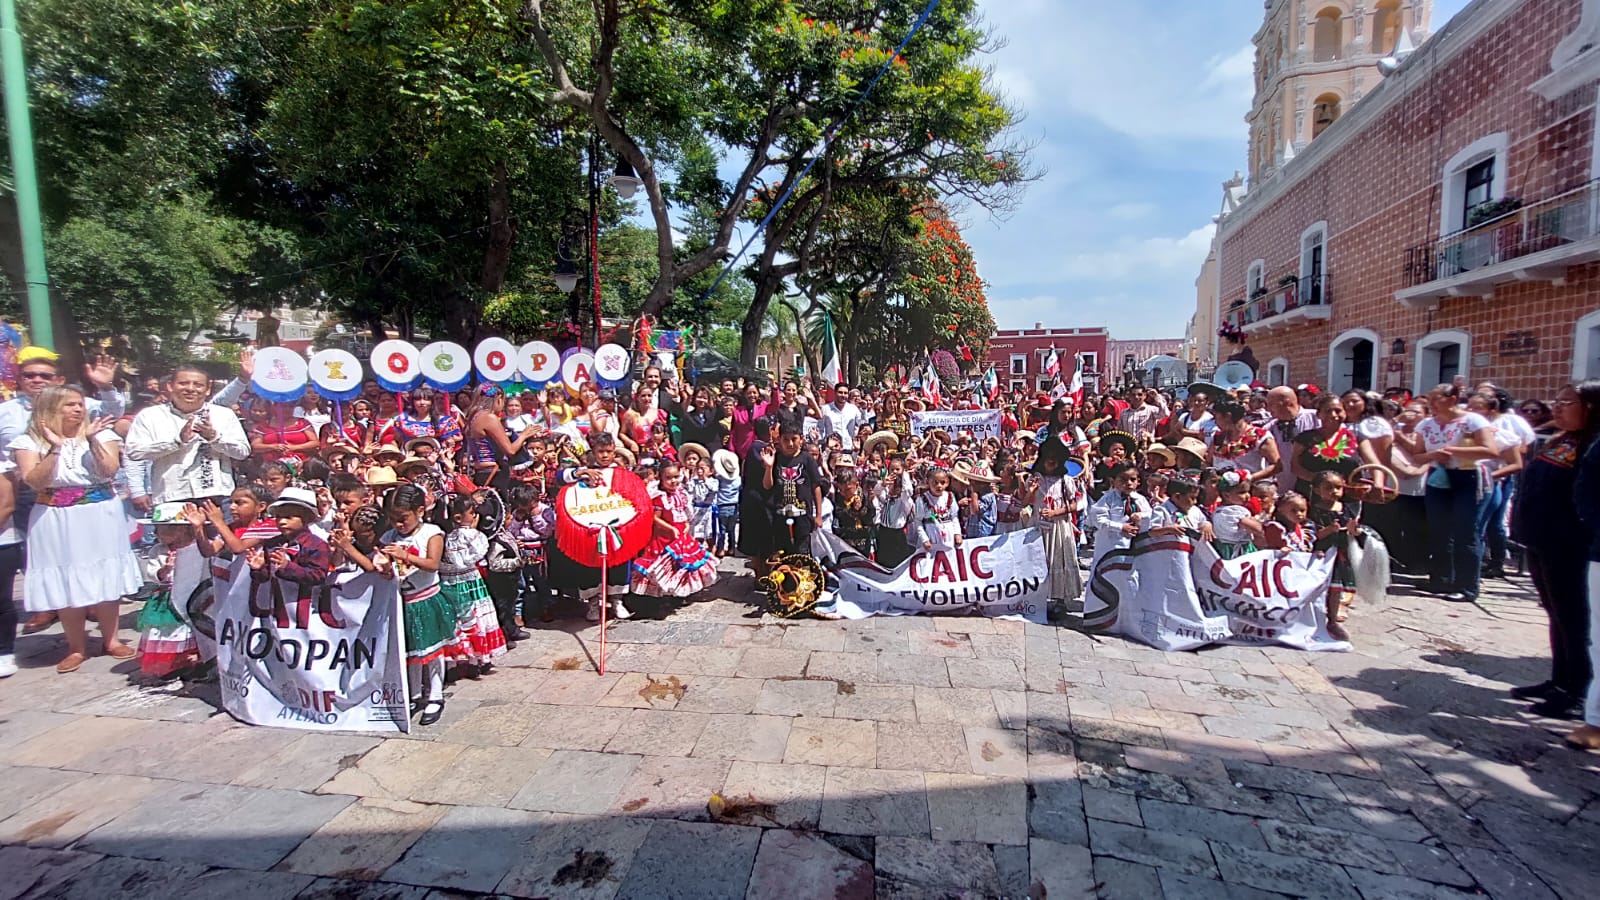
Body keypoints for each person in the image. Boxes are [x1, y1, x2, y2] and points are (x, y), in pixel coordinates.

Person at [11, 385, 144, 673]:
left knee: (106, 574)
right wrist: (57, 448)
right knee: (66, 576)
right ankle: (76, 647)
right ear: (50, 409)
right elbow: (34, 480)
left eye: (79, 404)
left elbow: (108, 470)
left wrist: (92, 440)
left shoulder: (101, 435)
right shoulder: (29, 441)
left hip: (99, 512)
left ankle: (111, 639)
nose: (77, 409)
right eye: (69, 405)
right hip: (55, 516)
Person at [1511, 380, 1600, 720]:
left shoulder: (1591, 445)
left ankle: (1579, 690)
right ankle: (1560, 679)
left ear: (1590, 408)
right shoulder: (1562, 439)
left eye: (1567, 402)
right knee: (1555, 611)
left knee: (1576, 617)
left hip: (1569, 543)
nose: (1557, 407)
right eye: (1557, 400)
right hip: (1542, 540)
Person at [1394, 383, 1499, 603]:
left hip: (1468, 476)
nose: (1431, 404)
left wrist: (1452, 451)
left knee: (1465, 532)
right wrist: (1434, 455)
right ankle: (1441, 578)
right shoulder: (1427, 424)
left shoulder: (1472, 421)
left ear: (1452, 399)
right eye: (1430, 400)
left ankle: (1467, 585)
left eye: (1436, 399)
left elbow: (1490, 450)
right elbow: (1417, 455)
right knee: (1439, 530)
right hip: (1438, 477)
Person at [125, 364, 252, 506]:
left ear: (208, 389)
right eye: (183, 383)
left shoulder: (223, 414)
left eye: (198, 385)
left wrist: (215, 438)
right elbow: (134, 452)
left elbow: (242, 452)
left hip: (217, 495)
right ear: (170, 386)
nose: (191, 389)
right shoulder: (150, 416)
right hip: (171, 496)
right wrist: (177, 442)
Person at [380, 485, 452, 725]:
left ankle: (435, 694)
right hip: (401, 601)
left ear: (419, 511)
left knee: (430, 651)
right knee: (409, 650)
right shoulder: (389, 537)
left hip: (425, 599)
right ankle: (413, 693)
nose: (398, 525)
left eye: (403, 519)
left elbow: (433, 564)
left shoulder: (431, 533)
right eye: (393, 520)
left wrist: (405, 556)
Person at [631, 462, 719, 598]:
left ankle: (677, 591)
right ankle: (662, 594)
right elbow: (654, 518)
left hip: (680, 535)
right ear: (660, 478)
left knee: (681, 564)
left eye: (676, 477)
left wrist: (686, 525)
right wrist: (671, 528)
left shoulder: (681, 493)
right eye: (669, 478)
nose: (673, 481)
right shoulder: (659, 497)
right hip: (664, 537)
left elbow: (683, 513)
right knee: (665, 565)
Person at [440, 496, 507, 673]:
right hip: (468, 581)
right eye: (471, 513)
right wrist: (474, 530)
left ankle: (457, 661)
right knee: (475, 618)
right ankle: (478, 659)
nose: (475, 515)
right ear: (458, 517)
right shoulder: (470, 535)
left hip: (448, 582)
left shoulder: (445, 536)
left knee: (457, 620)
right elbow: (473, 556)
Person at [1290, 392, 1361, 497]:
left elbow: (1372, 462)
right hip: (1311, 494)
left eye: (1338, 411)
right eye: (1328, 411)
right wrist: (1323, 483)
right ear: (1318, 415)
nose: (1333, 415)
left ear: (1345, 413)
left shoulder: (1356, 437)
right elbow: (1295, 467)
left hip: (1345, 496)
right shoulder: (1305, 438)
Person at [1264, 385, 1320, 493]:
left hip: (1315, 487)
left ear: (1288, 403)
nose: (1268, 409)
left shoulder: (1316, 418)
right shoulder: (1269, 429)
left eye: (1272, 404)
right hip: (1285, 488)